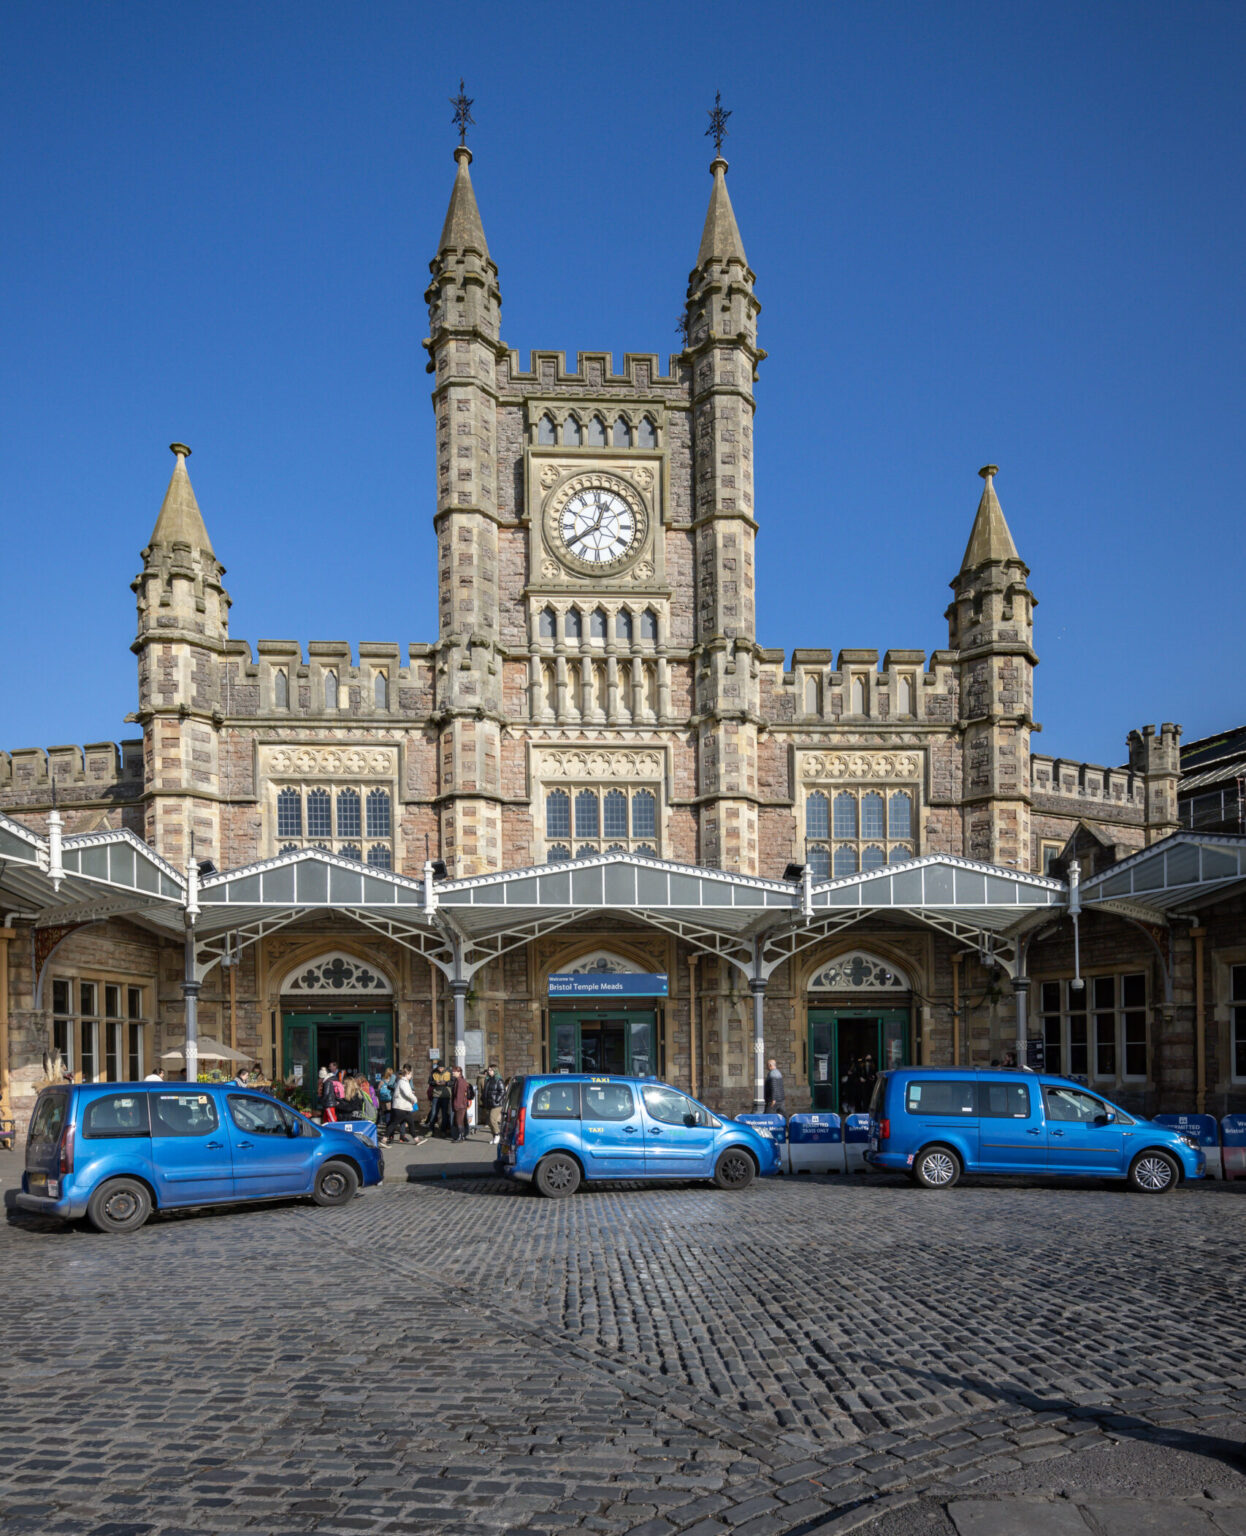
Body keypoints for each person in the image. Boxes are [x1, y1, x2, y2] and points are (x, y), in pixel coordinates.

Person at [384, 1065, 423, 1144]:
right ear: (407, 1073)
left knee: (411, 1123)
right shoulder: (403, 1082)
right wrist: (415, 1099)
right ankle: (384, 1139)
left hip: (404, 1108)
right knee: (393, 1124)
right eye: (411, 1074)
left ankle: (416, 1139)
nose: (411, 1076)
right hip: (401, 1108)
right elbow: (407, 1094)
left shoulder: (404, 1082)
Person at [480, 1064, 506, 1145]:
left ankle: (498, 1134)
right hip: (489, 1103)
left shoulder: (499, 1080)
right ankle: (494, 1136)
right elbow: (486, 1091)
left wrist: (497, 1100)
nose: (489, 1071)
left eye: (491, 1070)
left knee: (492, 1119)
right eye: (488, 1070)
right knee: (490, 1122)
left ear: (495, 1071)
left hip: (496, 1104)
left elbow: (502, 1091)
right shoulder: (488, 1079)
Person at [428, 1061, 453, 1137]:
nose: (440, 1069)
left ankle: (443, 1131)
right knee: (433, 1113)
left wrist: (446, 1083)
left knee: (445, 1114)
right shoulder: (433, 1072)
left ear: (444, 1067)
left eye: (441, 1068)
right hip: (436, 1095)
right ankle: (431, 1130)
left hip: (445, 1096)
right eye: (439, 1067)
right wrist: (435, 1083)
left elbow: (453, 1082)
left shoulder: (449, 1072)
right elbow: (429, 1082)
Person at [449, 1066, 474, 1142]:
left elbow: (459, 1095)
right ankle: (461, 1136)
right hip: (462, 1104)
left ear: (459, 1072)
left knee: (459, 1121)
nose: (452, 1073)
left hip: (460, 1105)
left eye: (454, 1071)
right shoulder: (460, 1080)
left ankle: (460, 1137)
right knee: (460, 1121)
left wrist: (456, 1105)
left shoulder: (460, 1081)